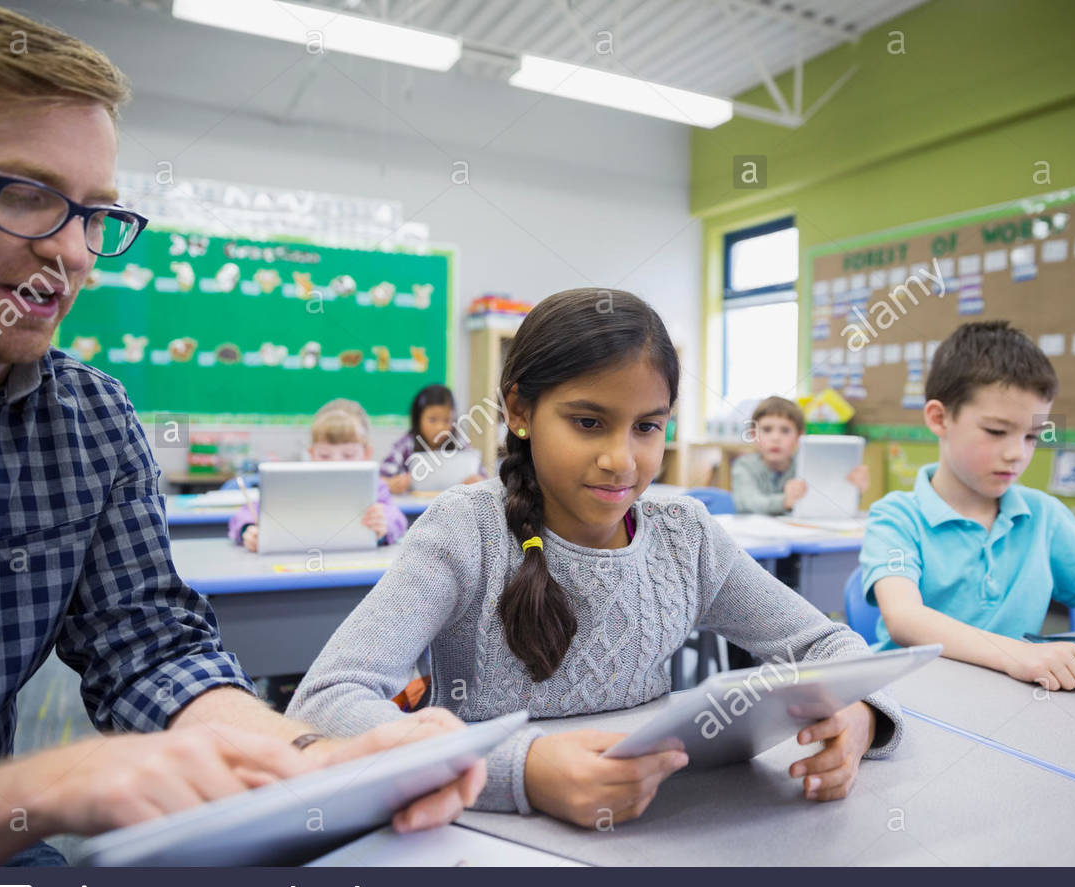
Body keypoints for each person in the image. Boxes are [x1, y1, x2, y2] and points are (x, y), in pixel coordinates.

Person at [0, 1, 480, 865]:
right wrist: (36, 790)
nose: (74, 252)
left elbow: (148, 648)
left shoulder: (94, 421)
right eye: (29, 195)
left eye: (95, 214)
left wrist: (312, 762)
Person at [288, 289, 904, 827]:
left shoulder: (684, 536)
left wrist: (860, 717)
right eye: (588, 422)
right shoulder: (468, 529)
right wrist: (518, 771)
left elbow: (832, 647)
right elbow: (326, 699)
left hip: (658, 833)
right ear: (520, 412)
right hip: (481, 841)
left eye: (647, 427)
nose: (622, 459)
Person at [859, 320, 1075, 691]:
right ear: (939, 418)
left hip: (1008, 698)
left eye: (1032, 436)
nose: (1016, 454)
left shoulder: (1044, 516)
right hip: (912, 697)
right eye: (996, 431)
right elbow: (904, 618)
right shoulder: (896, 516)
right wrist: (1018, 655)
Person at [229, 401, 407, 551]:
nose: (336, 463)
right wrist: (248, 530)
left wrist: (384, 526)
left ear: (367, 453)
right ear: (311, 454)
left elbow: (397, 519)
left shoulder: (374, 488)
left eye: (349, 454)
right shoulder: (297, 484)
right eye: (324, 455)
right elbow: (244, 514)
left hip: (351, 563)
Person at [731, 395, 869, 515]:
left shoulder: (808, 465)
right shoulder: (743, 466)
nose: (776, 438)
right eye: (767, 430)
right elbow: (747, 503)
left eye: (785, 430)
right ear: (754, 435)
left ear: (799, 437)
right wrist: (785, 501)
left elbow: (826, 504)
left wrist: (852, 490)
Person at [381, 383, 485, 495]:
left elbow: (484, 479)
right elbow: (380, 480)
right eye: (432, 420)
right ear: (418, 418)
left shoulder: (460, 444)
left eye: (446, 420)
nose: (440, 427)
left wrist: (478, 482)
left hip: (453, 509)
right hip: (413, 510)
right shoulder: (406, 446)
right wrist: (390, 483)